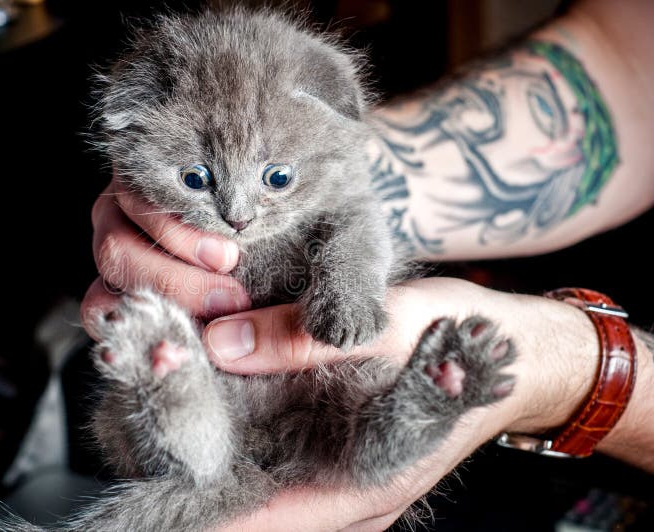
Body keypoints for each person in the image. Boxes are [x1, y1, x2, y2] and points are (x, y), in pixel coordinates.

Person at [81, 0, 654, 529]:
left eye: (277, 179)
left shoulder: (322, 141)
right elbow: (623, 66)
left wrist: (575, 366)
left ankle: (414, 410)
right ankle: (179, 398)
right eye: (195, 181)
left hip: (336, 394)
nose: (237, 213)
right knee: (163, 421)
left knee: (360, 399)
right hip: (219, 391)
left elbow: (354, 219)